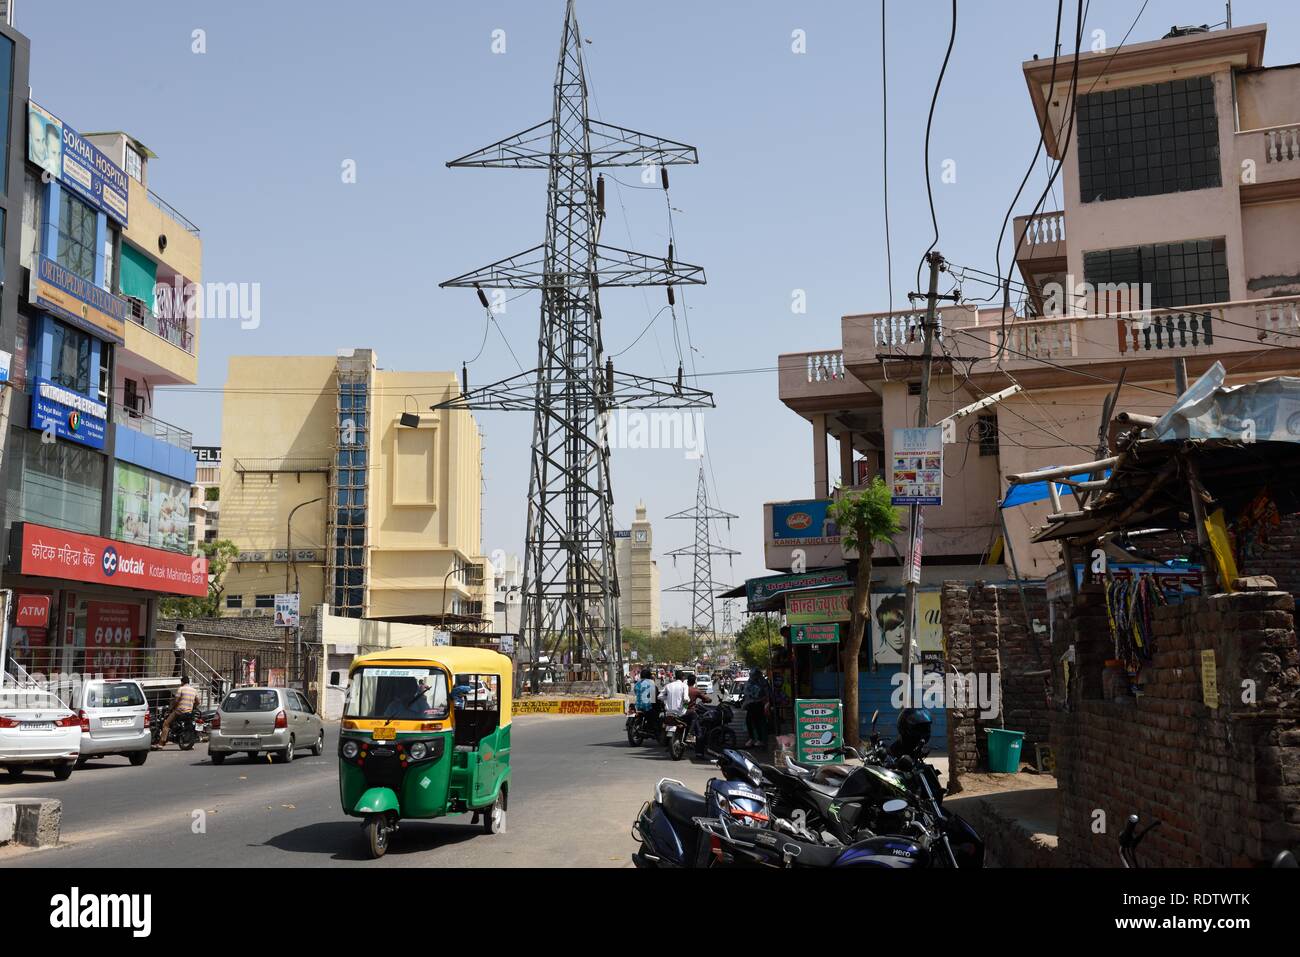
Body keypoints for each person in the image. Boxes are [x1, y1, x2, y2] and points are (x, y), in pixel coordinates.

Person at [157, 673, 198, 748]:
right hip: (189, 712)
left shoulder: (181, 689)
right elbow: (198, 702)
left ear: (182, 682)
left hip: (180, 711)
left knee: (166, 724)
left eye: (181, 682)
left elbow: (176, 700)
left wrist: (171, 708)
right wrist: (192, 706)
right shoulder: (194, 690)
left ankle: (161, 743)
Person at [742, 668, 771, 748]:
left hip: (759, 704)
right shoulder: (750, 681)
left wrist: (766, 703)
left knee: (758, 722)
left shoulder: (762, 682)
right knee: (749, 721)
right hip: (750, 704)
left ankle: (760, 740)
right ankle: (753, 738)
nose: (751, 676)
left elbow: (767, 693)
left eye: (753, 675)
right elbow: (746, 692)